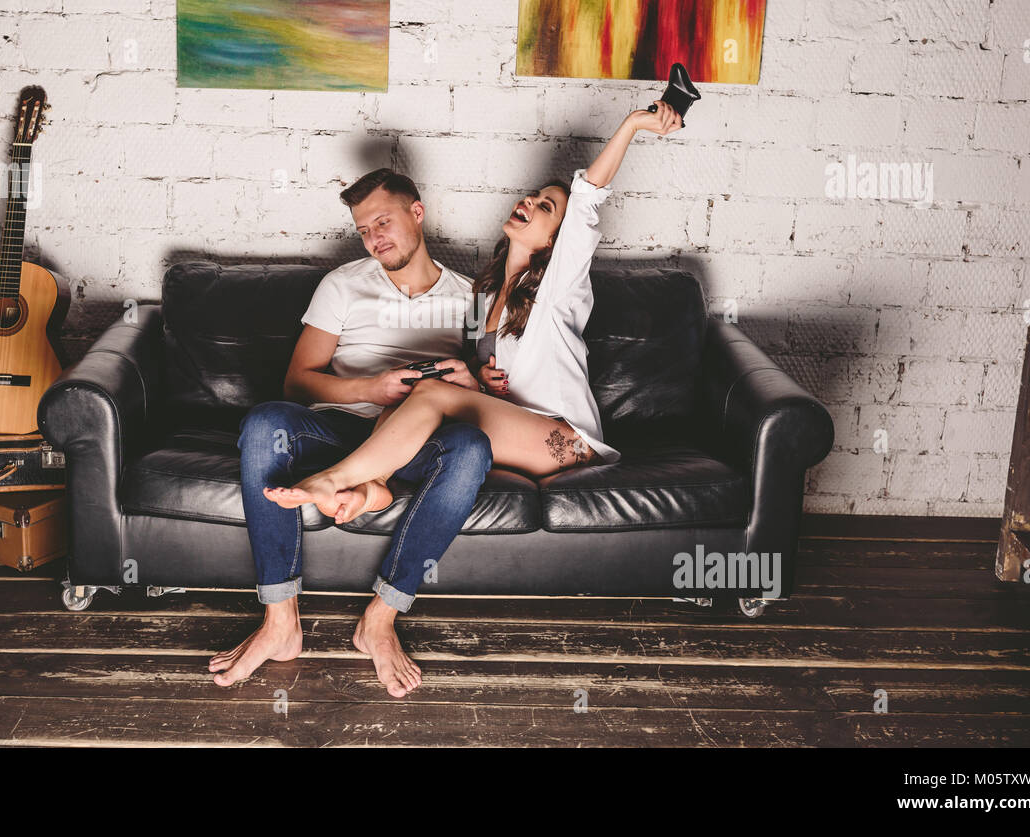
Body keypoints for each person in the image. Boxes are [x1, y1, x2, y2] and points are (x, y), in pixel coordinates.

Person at [263, 103, 682, 525]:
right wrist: (475, 381)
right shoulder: (481, 294)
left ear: (560, 240)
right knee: (415, 399)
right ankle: (375, 486)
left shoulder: (559, 287)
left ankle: (334, 479)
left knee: (429, 396)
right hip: (517, 432)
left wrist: (633, 124)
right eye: (534, 197)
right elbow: (489, 383)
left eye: (547, 208)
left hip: (568, 442)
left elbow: (588, 199)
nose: (531, 202)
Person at [209, 168, 493, 698]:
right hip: (338, 428)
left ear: (417, 212)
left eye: (383, 221)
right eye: (364, 230)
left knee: (473, 447)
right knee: (265, 421)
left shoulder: (471, 297)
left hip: (418, 438)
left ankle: (380, 619)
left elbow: (488, 394)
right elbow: (297, 382)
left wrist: (469, 380)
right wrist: (372, 387)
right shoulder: (341, 284)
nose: (374, 238)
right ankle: (279, 623)